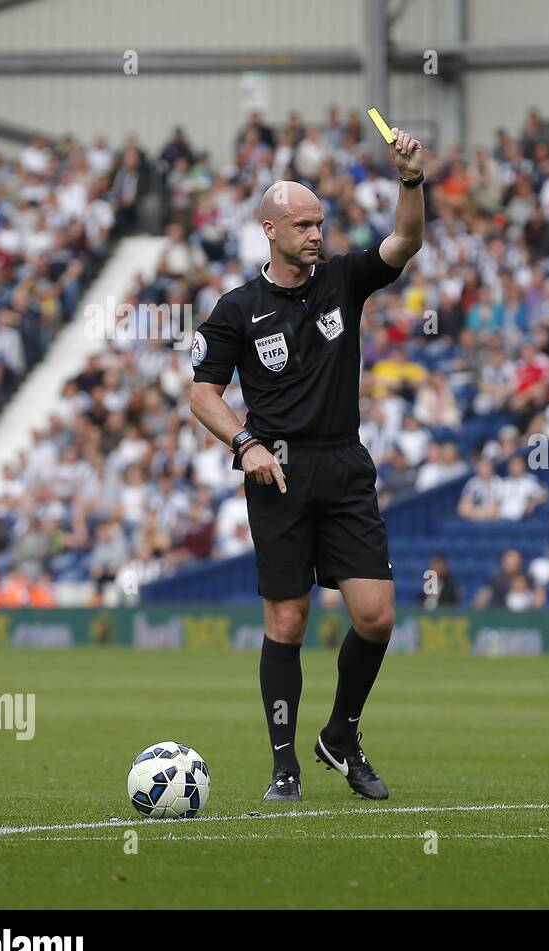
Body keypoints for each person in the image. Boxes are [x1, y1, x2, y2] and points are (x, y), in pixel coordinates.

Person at [189, 127, 425, 804]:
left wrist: (410, 181)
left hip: (344, 464)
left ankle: (341, 734)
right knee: (287, 622)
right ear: (270, 229)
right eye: (303, 224)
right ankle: (284, 763)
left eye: (321, 223)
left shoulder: (344, 280)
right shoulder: (236, 309)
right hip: (278, 473)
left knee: (376, 614)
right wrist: (245, 444)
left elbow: (405, 241)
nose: (317, 234)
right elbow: (202, 394)